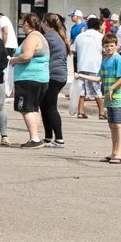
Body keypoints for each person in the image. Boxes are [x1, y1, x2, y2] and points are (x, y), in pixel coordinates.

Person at [8, 13, 50, 148]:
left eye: (23, 22)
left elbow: (26, 56)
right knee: (33, 108)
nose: (22, 25)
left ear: (26, 23)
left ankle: (35, 138)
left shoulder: (32, 37)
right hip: (39, 79)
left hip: (29, 79)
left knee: (26, 108)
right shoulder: (40, 36)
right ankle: (35, 136)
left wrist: (13, 60)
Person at [100, 32, 121, 164]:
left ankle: (120, 153)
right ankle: (113, 152)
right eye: (107, 46)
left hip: (119, 96)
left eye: (111, 45)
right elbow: (99, 77)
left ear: (116, 46)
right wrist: (81, 77)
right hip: (109, 97)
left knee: (119, 125)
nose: (109, 48)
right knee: (112, 125)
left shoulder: (118, 59)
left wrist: (112, 88)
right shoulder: (106, 60)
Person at [41, 13, 69, 147]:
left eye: (42, 22)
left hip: (54, 75)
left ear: (46, 23)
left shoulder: (48, 37)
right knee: (44, 105)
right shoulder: (58, 36)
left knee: (50, 107)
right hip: (59, 75)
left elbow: (39, 52)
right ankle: (48, 137)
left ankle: (59, 139)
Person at [72, 16, 105, 119]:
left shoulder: (79, 36)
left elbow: (74, 51)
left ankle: (80, 112)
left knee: (81, 90)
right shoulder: (101, 37)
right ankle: (101, 113)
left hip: (81, 66)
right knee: (97, 90)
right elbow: (105, 51)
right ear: (98, 26)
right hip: (95, 67)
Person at [0, 9, 19, 97]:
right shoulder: (4, 20)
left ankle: (7, 89)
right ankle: (7, 88)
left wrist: (2, 45)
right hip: (8, 46)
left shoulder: (3, 20)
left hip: (7, 46)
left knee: (5, 67)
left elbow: (5, 32)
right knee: (7, 67)